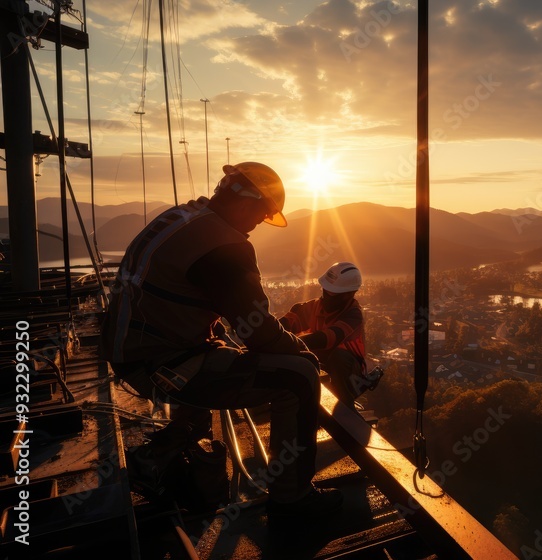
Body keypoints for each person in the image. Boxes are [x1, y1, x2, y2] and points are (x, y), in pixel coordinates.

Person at [99, 161, 342, 524]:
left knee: (226, 359)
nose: (257, 225)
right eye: (261, 216)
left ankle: (160, 456)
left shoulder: (183, 218)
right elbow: (258, 331)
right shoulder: (223, 246)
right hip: (162, 363)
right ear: (247, 202)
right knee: (299, 377)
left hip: (134, 351)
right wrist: (302, 351)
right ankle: (293, 499)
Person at [279, 262, 382, 403]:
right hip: (323, 362)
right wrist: (271, 331)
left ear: (350, 294)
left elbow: (329, 338)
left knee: (338, 357)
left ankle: (345, 406)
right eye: (326, 291)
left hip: (349, 370)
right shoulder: (314, 307)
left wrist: (290, 342)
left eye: (333, 293)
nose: (327, 296)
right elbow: (288, 322)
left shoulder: (353, 314)